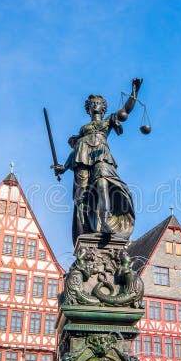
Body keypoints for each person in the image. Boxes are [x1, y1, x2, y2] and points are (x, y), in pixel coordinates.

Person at [52, 79, 141, 244]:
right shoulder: (83, 131)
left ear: (103, 107)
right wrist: (63, 168)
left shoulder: (107, 121)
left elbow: (126, 111)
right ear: (88, 108)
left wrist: (134, 94)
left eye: (98, 103)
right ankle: (83, 233)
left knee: (103, 184)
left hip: (101, 156)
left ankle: (105, 221)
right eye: (92, 103)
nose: (95, 105)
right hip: (82, 160)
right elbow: (76, 151)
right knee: (81, 199)